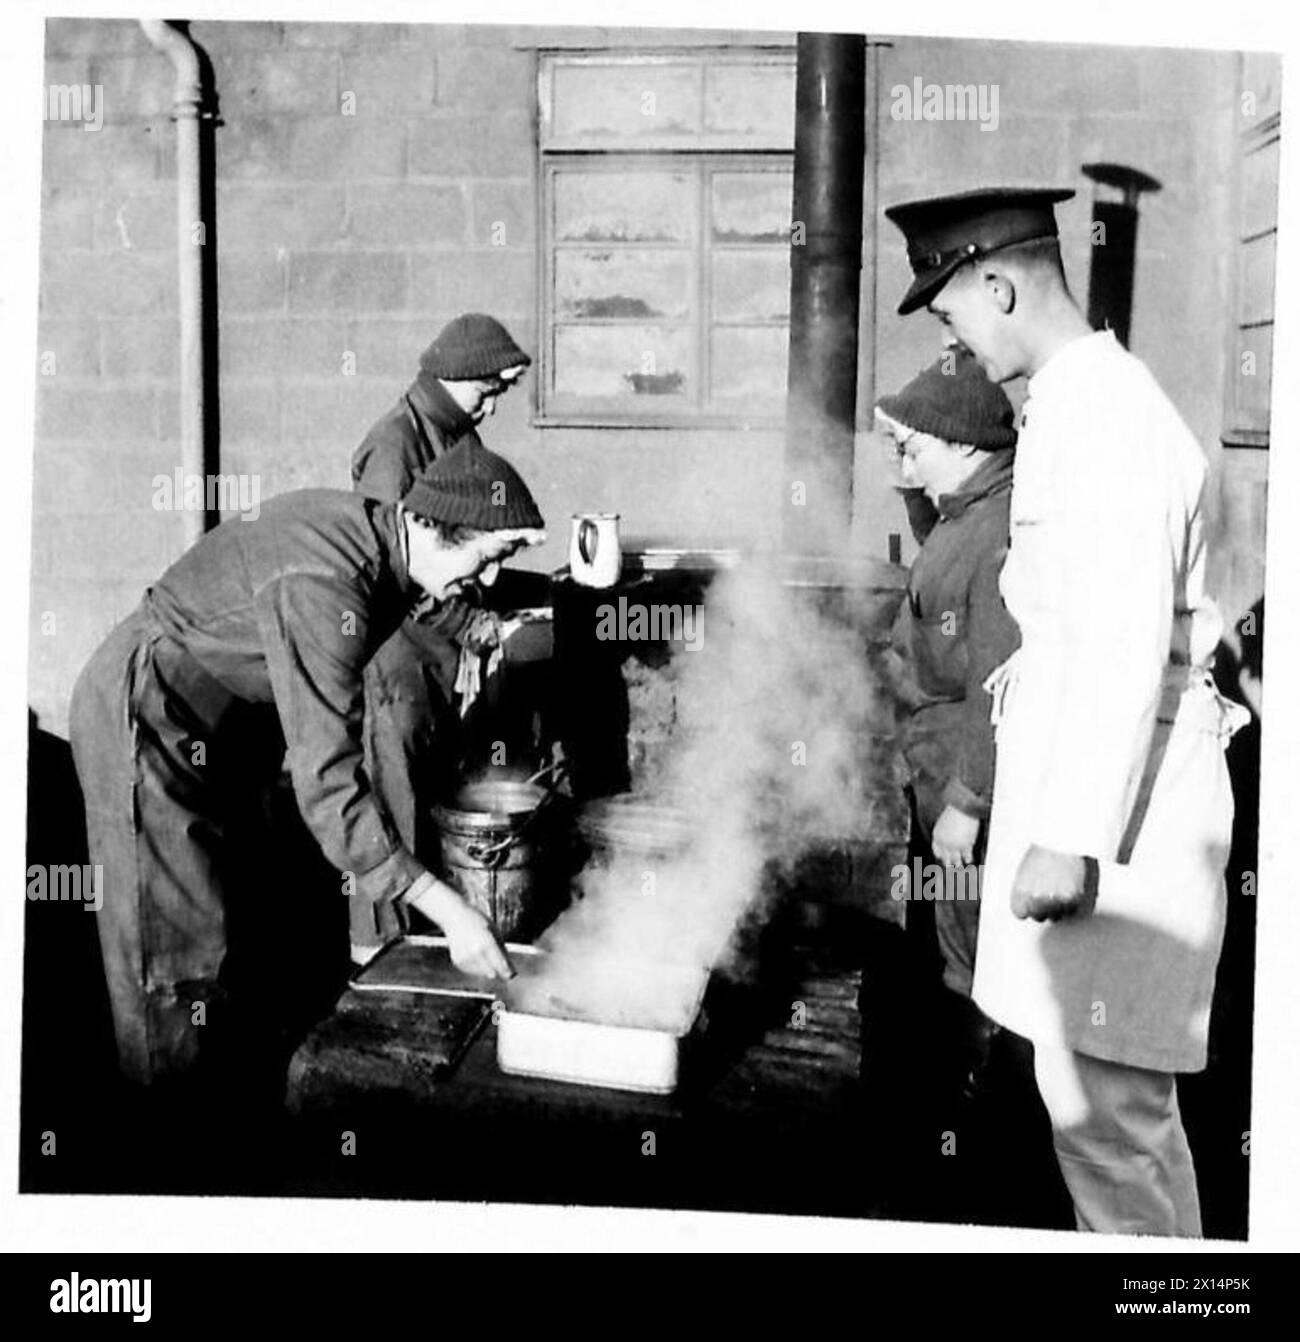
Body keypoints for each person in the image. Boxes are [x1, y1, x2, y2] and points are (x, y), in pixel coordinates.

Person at [884, 186, 1250, 1237]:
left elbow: (1121, 637)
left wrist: (1067, 837)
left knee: (1111, 1124)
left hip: (1123, 825)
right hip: (1092, 802)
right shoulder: (1069, 405)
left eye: (951, 314)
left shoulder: (1105, 417)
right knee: (1099, 1116)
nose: (953, 339)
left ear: (998, 284)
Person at [70, 442, 545, 1086]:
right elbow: (330, 782)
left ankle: (228, 1110)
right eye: (487, 558)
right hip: (151, 716)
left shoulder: (390, 545)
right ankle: (169, 1148)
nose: (489, 581)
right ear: (430, 525)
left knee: (236, 929)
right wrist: (450, 910)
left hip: (225, 728)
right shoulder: (327, 580)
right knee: (172, 955)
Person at [351, 314, 532, 859]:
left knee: (430, 793)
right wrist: (472, 624)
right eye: (487, 390)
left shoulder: (455, 433)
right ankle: (377, 943)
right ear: (453, 377)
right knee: (395, 800)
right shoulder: (394, 446)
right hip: (399, 653)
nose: (492, 405)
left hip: (438, 651)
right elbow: (392, 565)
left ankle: (431, 924)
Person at [878, 351, 1019, 1012]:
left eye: (913, 451)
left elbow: (1000, 686)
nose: (905, 467)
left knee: (972, 959)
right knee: (945, 940)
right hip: (937, 775)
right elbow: (940, 535)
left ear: (964, 444)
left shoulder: (999, 538)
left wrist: (967, 803)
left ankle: (978, 1095)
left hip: (966, 791)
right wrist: (915, 482)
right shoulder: (971, 506)